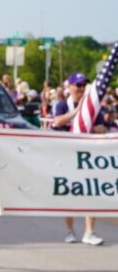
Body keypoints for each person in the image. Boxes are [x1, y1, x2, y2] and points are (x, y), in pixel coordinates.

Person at [51, 72, 104, 245]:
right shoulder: (61, 105)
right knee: (70, 193)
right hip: (66, 154)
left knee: (92, 192)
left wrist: (92, 126)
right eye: (78, 85)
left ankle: (89, 232)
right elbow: (56, 122)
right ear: (70, 87)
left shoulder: (94, 106)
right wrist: (77, 112)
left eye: (84, 85)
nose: (81, 88)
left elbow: (102, 128)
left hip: (88, 156)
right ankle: (70, 230)